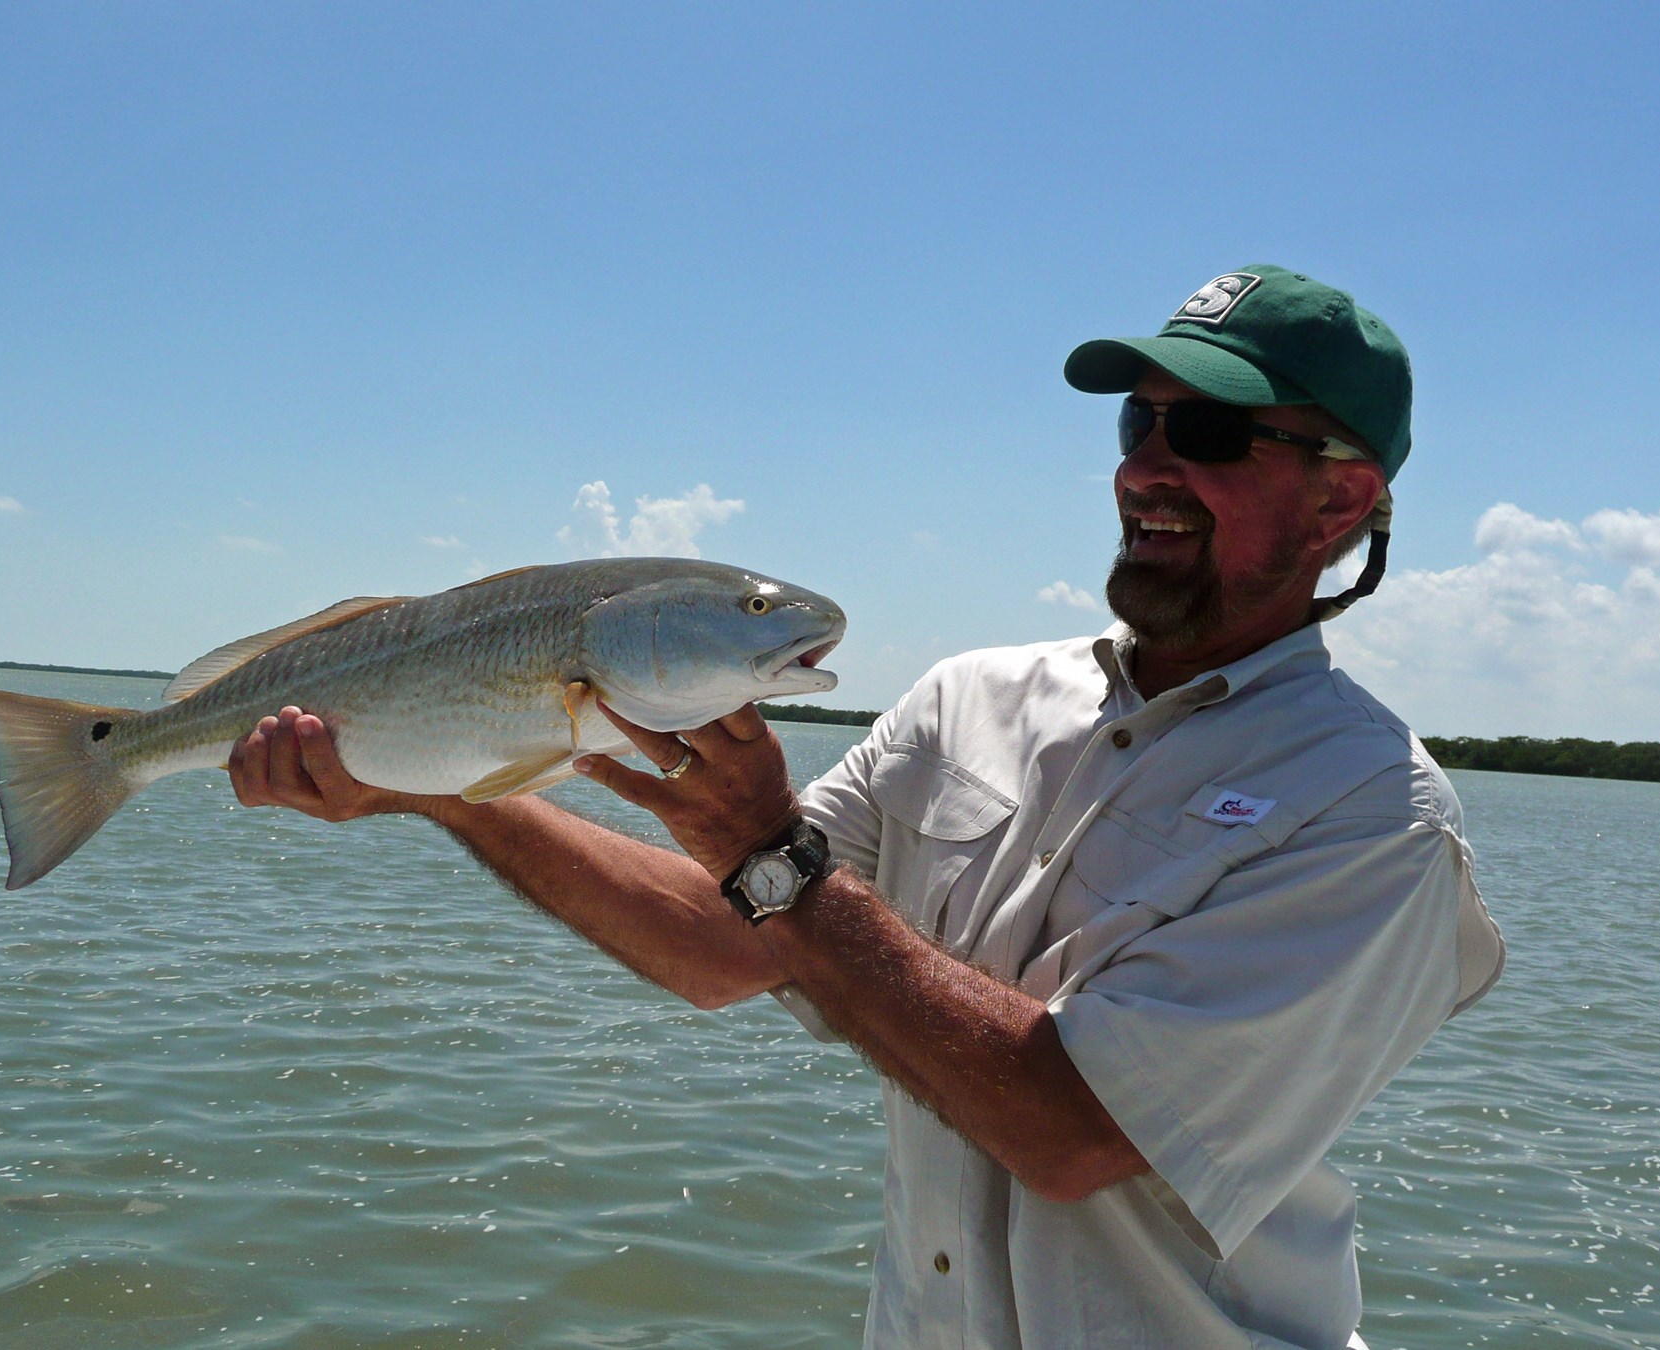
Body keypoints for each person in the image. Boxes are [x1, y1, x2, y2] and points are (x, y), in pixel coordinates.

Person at [228, 264, 1504, 1349]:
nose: (1148, 469)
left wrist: (763, 851)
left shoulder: (1372, 817)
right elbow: (727, 943)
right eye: (1139, 425)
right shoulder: (967, 700)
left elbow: (1069, 1133)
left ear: (1342, 498)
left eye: (1211, 434)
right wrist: (441, 793)